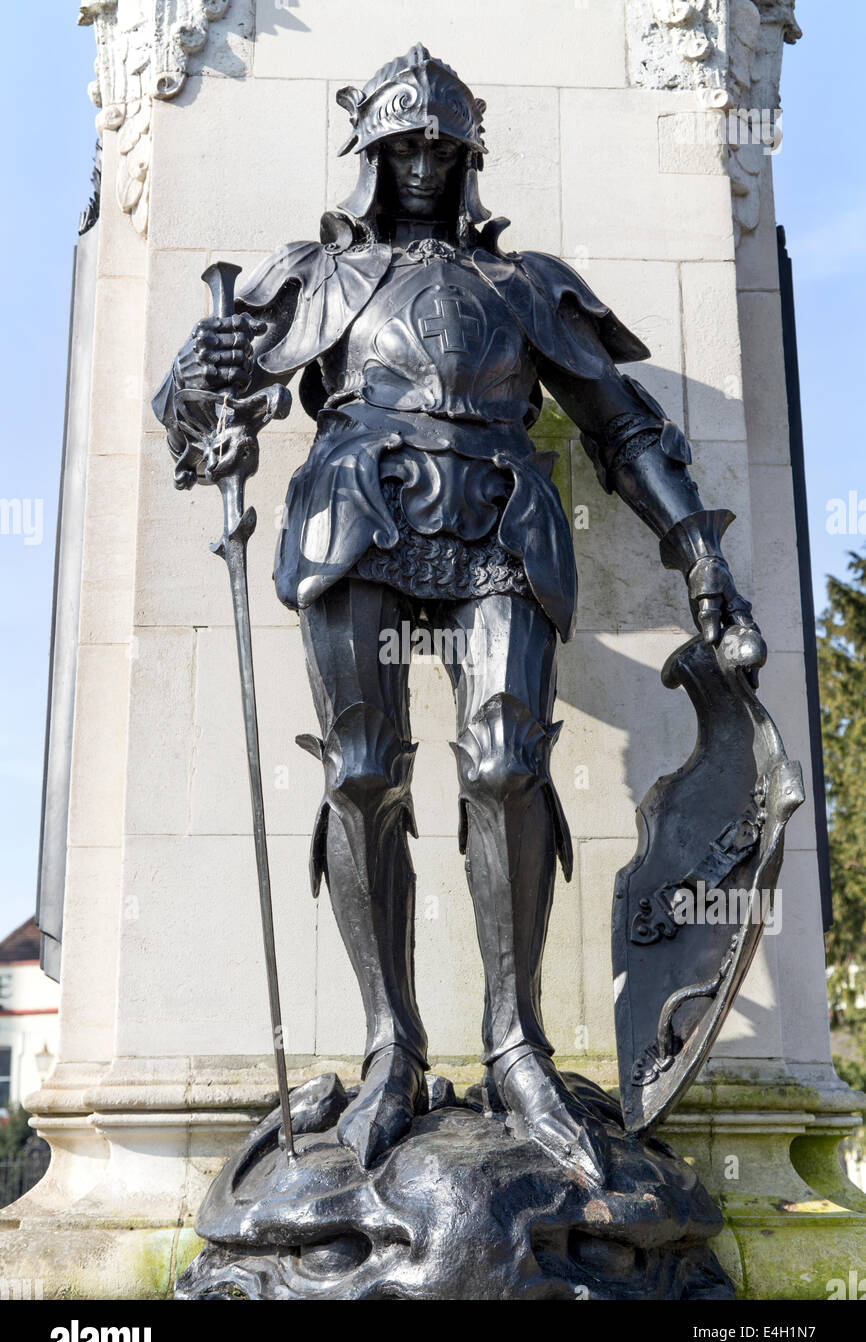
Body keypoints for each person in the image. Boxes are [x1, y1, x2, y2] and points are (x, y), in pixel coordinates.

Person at [154, 45, 758, 1182]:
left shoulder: (524, 285)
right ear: (370, 157)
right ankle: (390, 1045)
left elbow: (622, 426)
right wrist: (205, 376)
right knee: (360, 769)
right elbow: (196, 407)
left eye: (444, 142)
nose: (425, 161)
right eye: (403, 143)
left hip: (500, 517)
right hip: (354, 510)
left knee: (502, 765)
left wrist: (696, 555)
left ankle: (516, 1043)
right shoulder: (313, 278)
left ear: (470, 155)